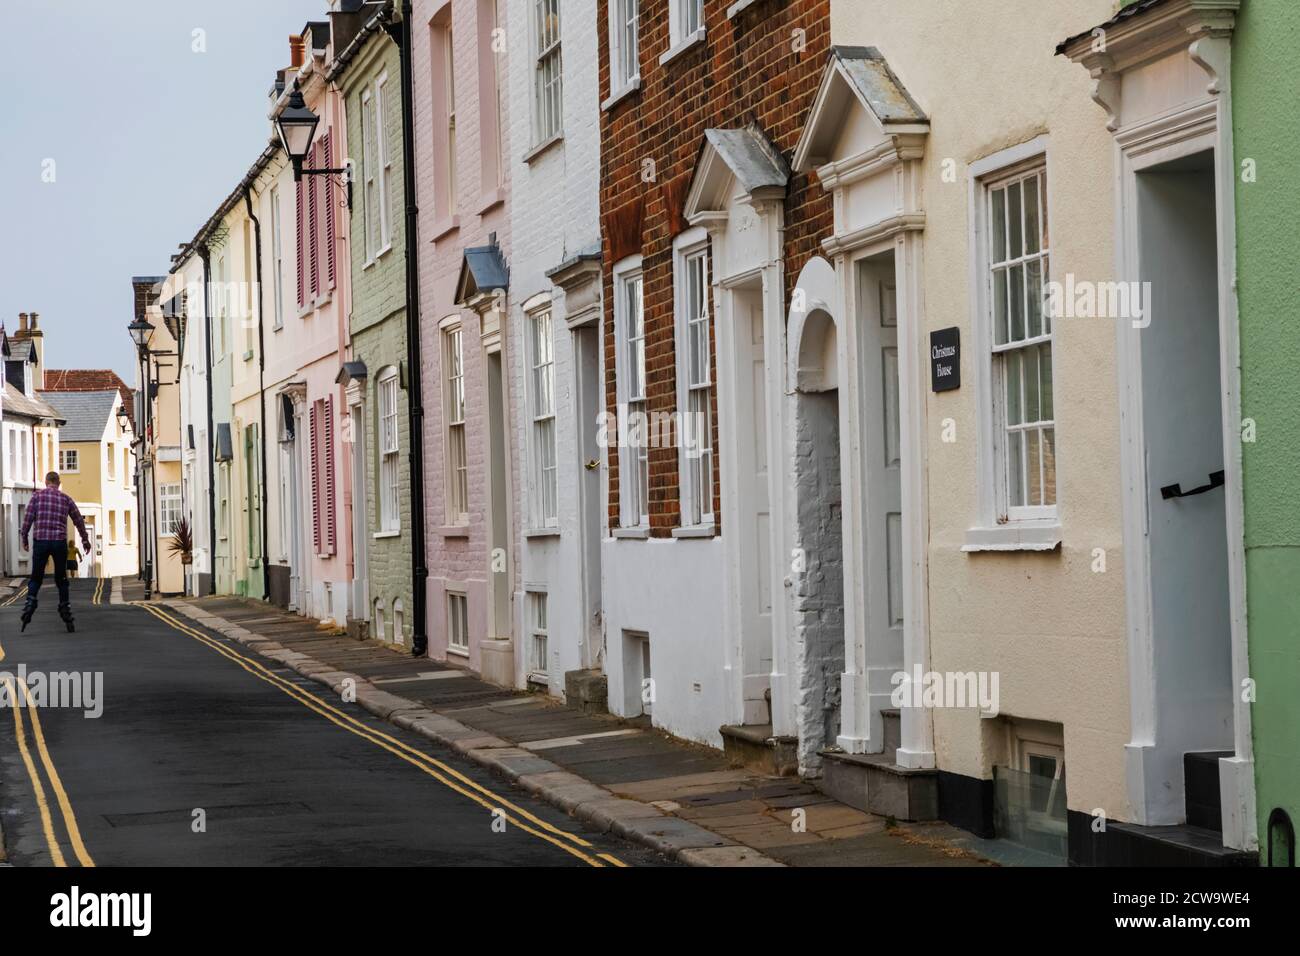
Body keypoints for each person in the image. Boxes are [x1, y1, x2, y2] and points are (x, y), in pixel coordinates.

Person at [19, 472, 92, 633]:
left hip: (41, 542)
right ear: (59, 483)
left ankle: (30, 603)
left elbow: (28, 519)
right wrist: (85, 540)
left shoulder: (37, 497)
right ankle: (65, 608)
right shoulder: (66, 499)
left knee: (36, 577)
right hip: (59, 543)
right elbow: (78, 520)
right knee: (61, 579)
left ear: (46, 482)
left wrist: (24, 538)